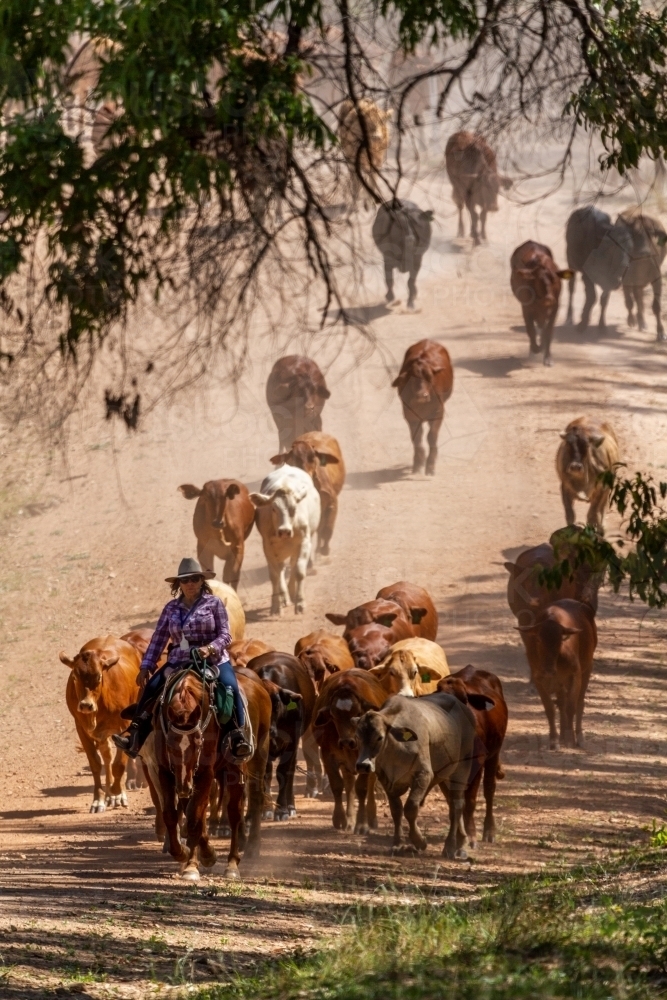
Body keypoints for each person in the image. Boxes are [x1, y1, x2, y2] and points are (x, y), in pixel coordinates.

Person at [112, 558, 252, 760]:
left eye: (195, 579)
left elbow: (225, 634)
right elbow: (159, 638)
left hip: (213, 660)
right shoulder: (171, 608)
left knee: (230, 687)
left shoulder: (214, 604)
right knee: (151, 688)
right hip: (179, 660)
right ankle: (135, 736)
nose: (190, 583)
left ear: (201, 581)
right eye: (185, 580)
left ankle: (238, 736)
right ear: (179, 584)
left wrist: (210, 648)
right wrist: (146, 665)